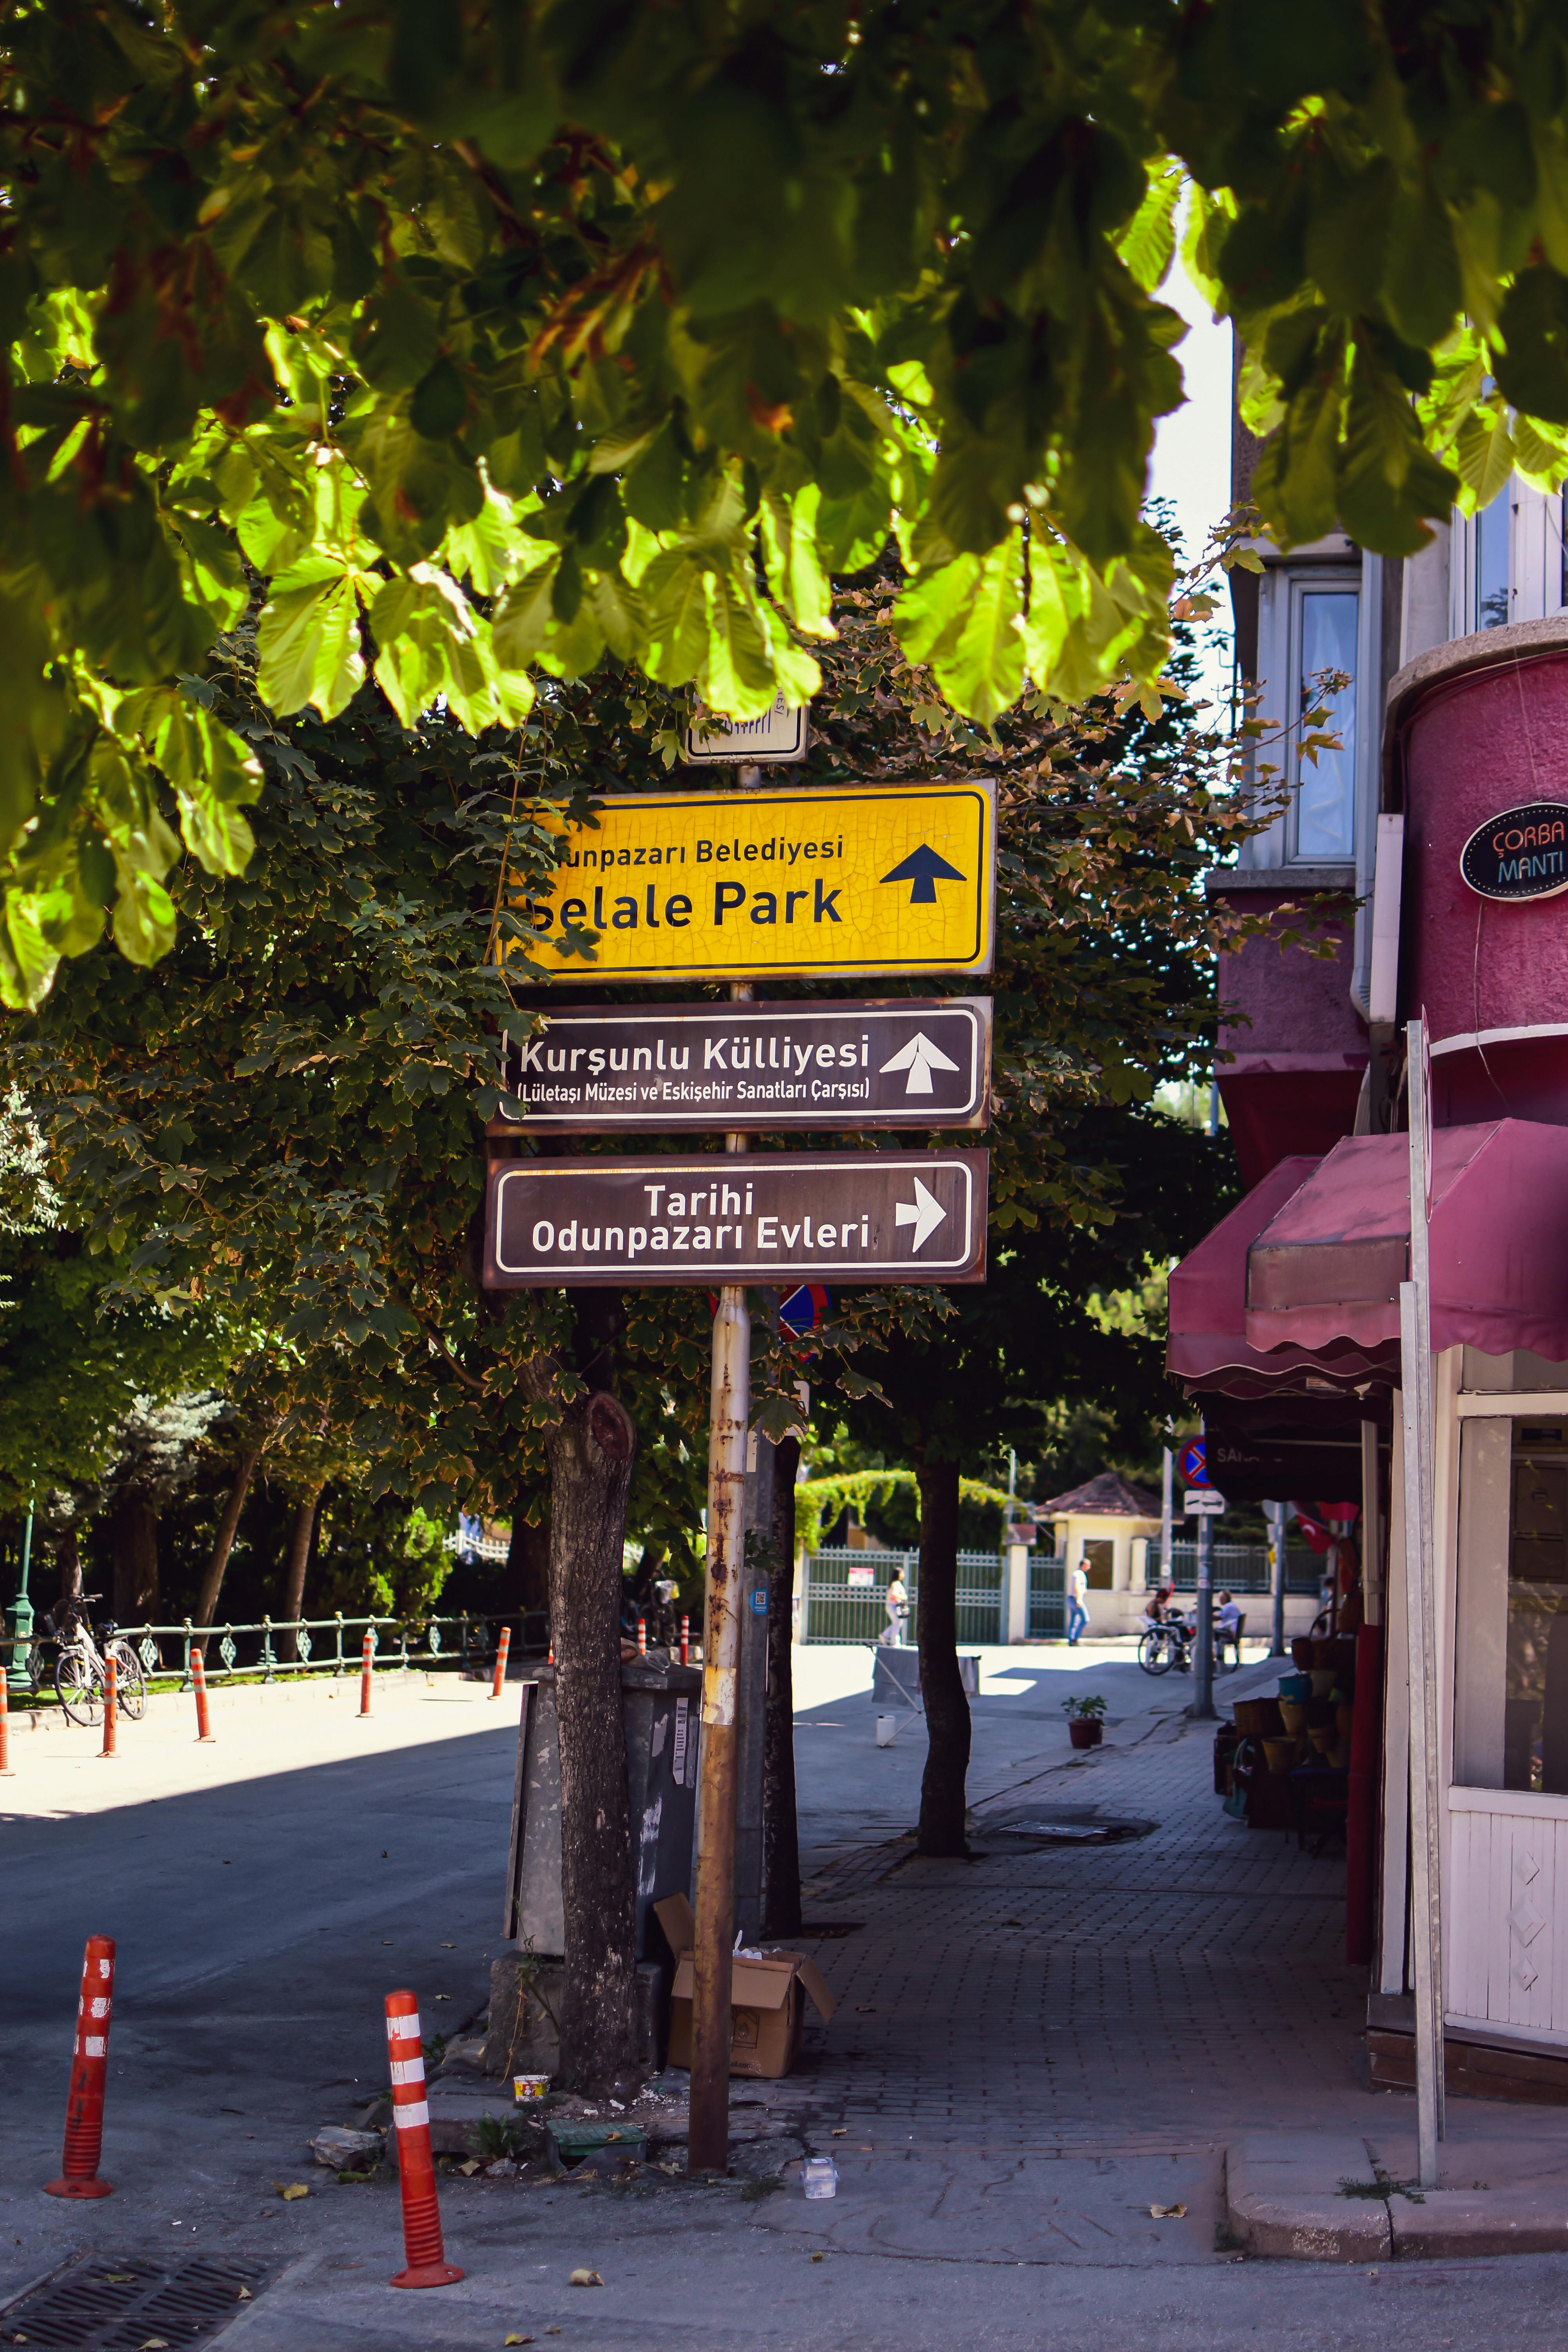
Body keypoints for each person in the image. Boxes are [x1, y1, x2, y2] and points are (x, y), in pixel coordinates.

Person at [881, 1569, 909, 1646]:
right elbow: (894, 1594)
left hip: (893, 1605)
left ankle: (885, 1636)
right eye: (902, 1573)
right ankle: (894, 1642)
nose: (903, 1575)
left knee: (898, 1623)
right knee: (898, 1623)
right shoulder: (896, 1583)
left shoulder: (896, 1583)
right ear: (898, 1574)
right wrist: (903, 1597)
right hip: (893, 1605)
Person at [1066, 1557, 1089, 1646]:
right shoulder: (1079, 1574)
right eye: (1088, 1566)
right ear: (1084, 1565)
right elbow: (1077, 1585)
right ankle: (1075, 1638)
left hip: (1071, 1599)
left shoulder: (1079, 1574)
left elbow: (1081, 1587)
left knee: (1074, 1621)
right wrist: (1079, 1599)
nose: (1089, 1568)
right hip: (1076, 1599)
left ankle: (1071, 1640)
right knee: (1086, 1619)